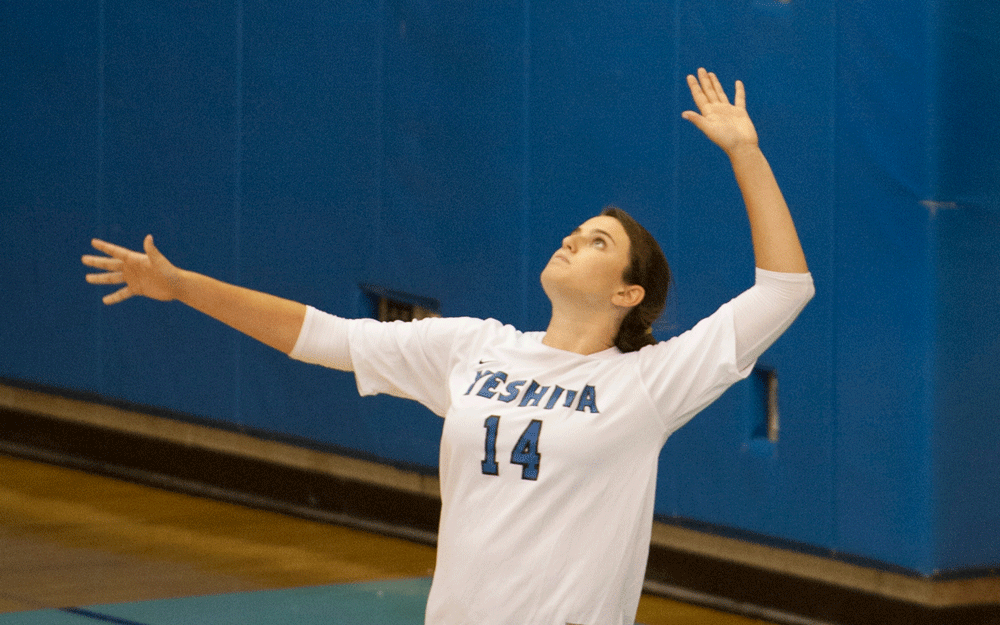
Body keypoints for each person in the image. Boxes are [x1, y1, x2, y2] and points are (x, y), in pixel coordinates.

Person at [83, 68, 814, 625]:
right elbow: (319, 335)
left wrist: (745, 152)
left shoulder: (651, 382)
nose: (571, 238)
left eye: (598, 242)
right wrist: (184, 286)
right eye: (576, 229)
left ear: (628, 294)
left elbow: (784, 290)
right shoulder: (475, 349)